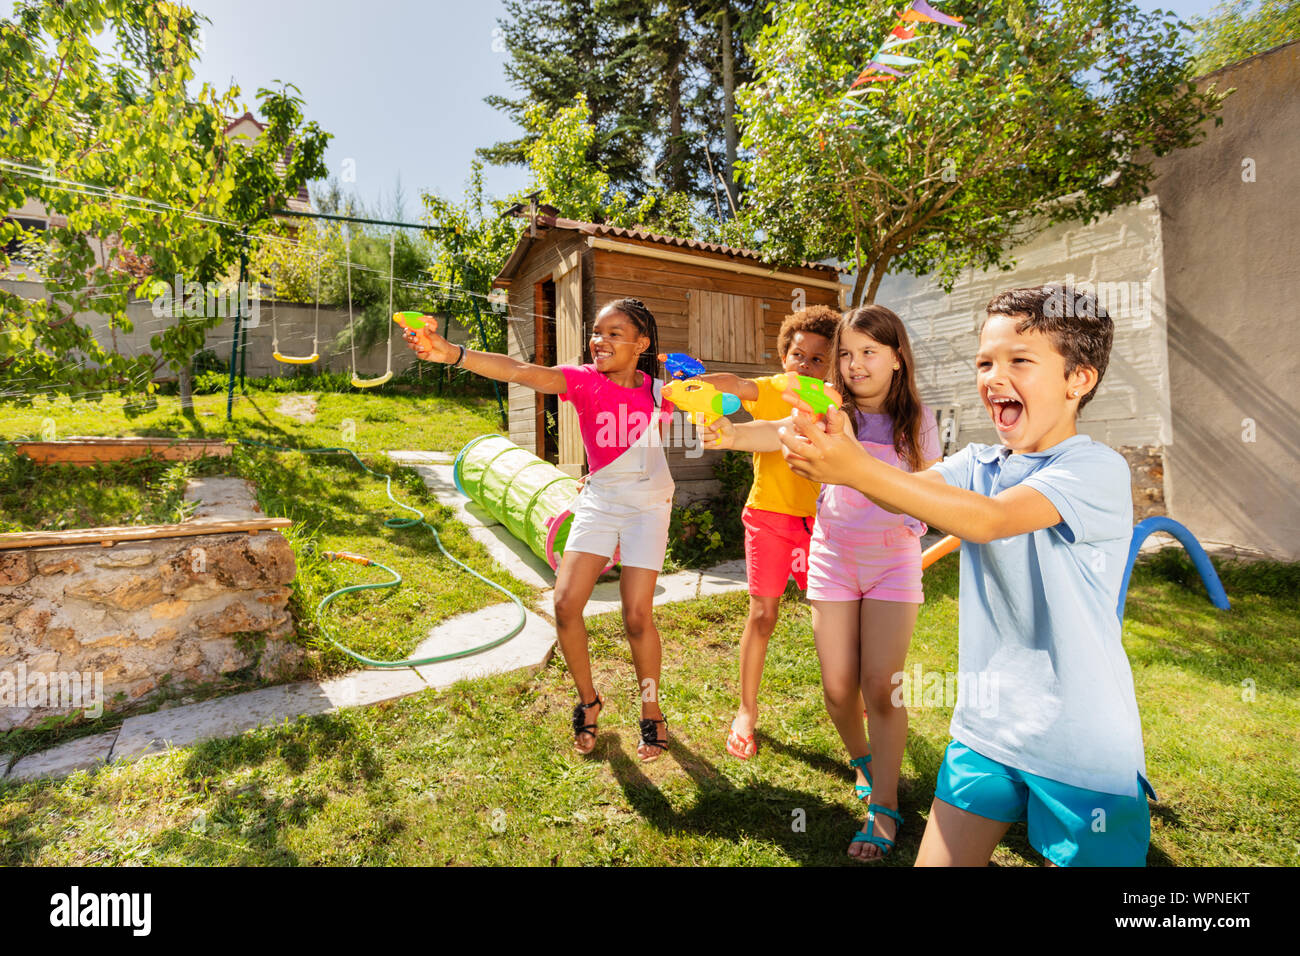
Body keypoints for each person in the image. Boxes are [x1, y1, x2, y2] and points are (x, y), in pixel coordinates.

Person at [778, 285, 1155, 867]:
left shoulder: (1094, 467)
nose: (993, 377)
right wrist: (839, 452)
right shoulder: (977, 463)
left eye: (1019, 361)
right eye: (985, 362)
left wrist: (853, 465)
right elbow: (907, 499)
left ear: (1078, 379)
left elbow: (990, 520)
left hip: (1082, 749)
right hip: (985, 734)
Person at [703, 305, 940, 860]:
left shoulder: (919, 420)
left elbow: (931, 490)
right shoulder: (828, 407)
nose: (856, 365)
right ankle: (864, 759)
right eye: (848, 355)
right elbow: (775, 430)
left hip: (890, 560)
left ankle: (884, 805)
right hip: (832, 554)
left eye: (869, 353)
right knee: (838, 691)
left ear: (897, 359)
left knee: (879, 686)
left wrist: (886, 494)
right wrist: (731, 436)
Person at [403, 298, 675, 762]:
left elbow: (729, 393)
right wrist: (454, 355)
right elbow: (520, 370)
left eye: (613, 333)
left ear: (641, 343)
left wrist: (704, 382)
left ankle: (651, 709)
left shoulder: (661, 391)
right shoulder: (585, 381)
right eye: (596, 331)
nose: (599, 341)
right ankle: (589, 702)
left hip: (649, 508)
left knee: (636, 616)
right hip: (600, 503)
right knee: (566, 604)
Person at [692, 305, 839, 761]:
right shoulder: (776, 388)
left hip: (824, 524)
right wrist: (691, 384)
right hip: (769, 516)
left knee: (835, 622)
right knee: (762, 616)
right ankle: (746, 712)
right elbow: (735, 386)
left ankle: (853, 703)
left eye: (818, 359)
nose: (807, 365)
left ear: (832, 364)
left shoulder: (835, 401)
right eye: (799, 355)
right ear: (784, 357)